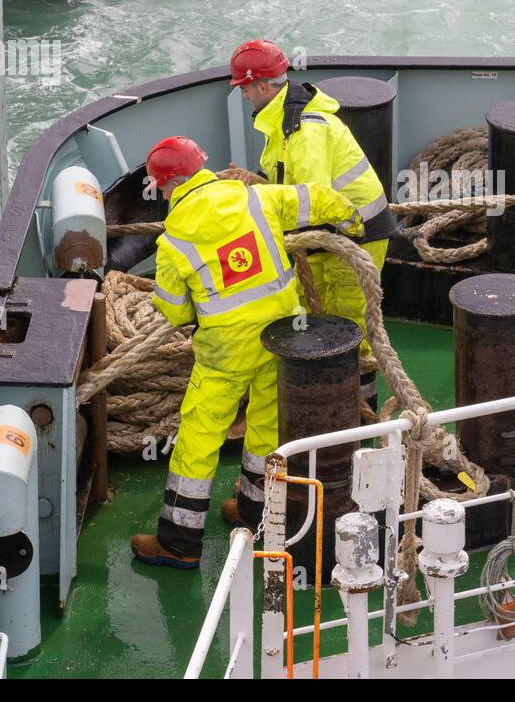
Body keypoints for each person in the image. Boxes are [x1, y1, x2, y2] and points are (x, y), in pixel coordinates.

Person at [130, 135, 364, 568]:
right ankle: (257, 519)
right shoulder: (255, 198)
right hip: (280, 337)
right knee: (265, 430)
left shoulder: (174, 239)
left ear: (165, 186)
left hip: (224, 353)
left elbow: (174, 310)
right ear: (203, 166)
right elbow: (320, 199)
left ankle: (179, 544)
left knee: (199, 439)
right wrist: (356, 222)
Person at [227, 39, 396, 408]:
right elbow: (291, 188)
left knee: (350, 325)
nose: (242, 96)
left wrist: (260, 206)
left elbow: (313, 199)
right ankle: (318, 396)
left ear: (262, 86)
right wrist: (255, 182)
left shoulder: (305, 130)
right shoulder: (280, 124)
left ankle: (356, 411)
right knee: (308, 312)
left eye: (244, 88)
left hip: (355, 236)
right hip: (323, 235)